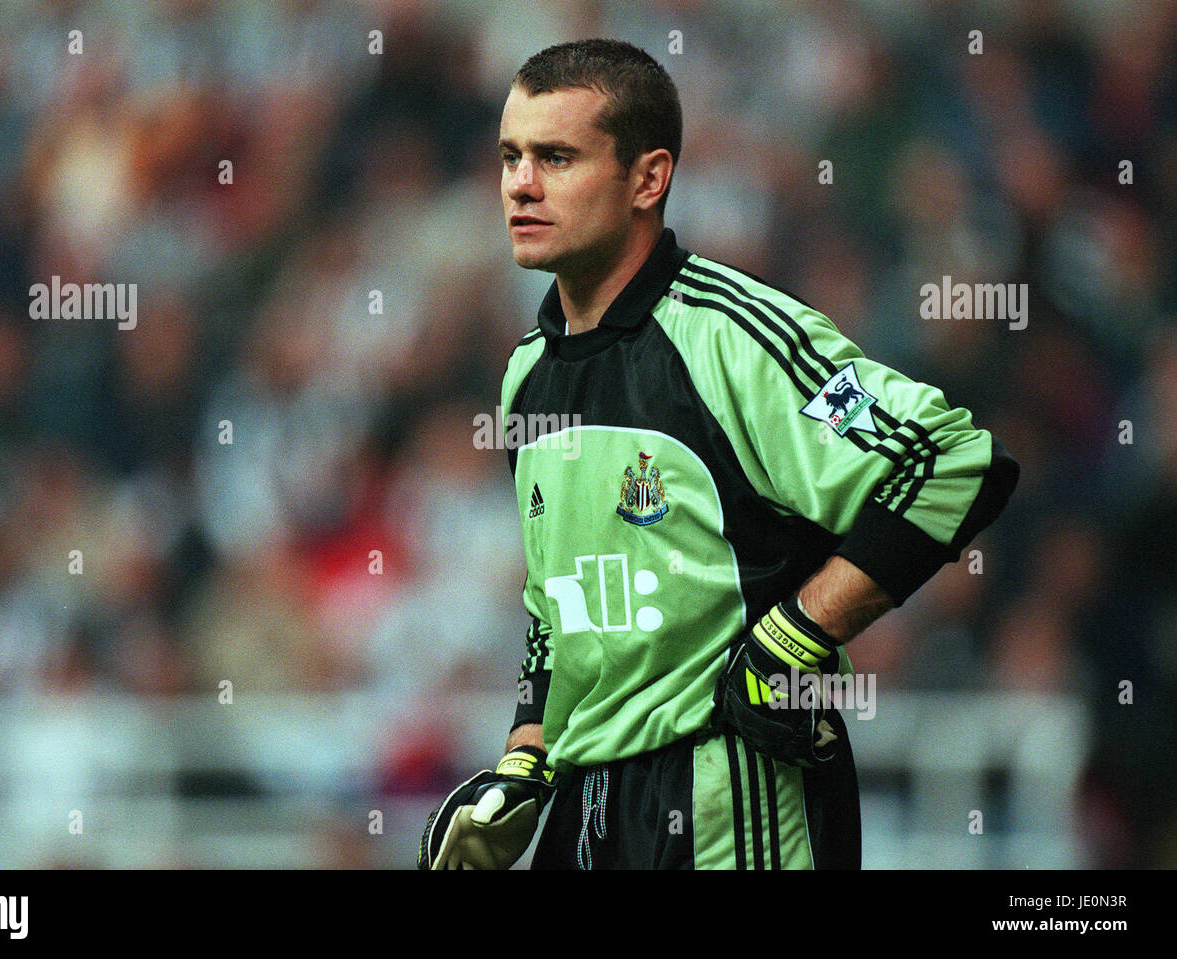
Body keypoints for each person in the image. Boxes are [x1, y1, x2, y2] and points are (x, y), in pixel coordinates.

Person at [418, 38, 1019, 870]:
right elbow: (556, 604)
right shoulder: (527, 374)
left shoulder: (734, 338)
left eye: (556, 157)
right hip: (584, 808)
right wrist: (525, 757)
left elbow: (953, 460)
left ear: (648, 178)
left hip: (731, 797)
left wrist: (800, 633)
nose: (520, 184)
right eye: (512, 156)